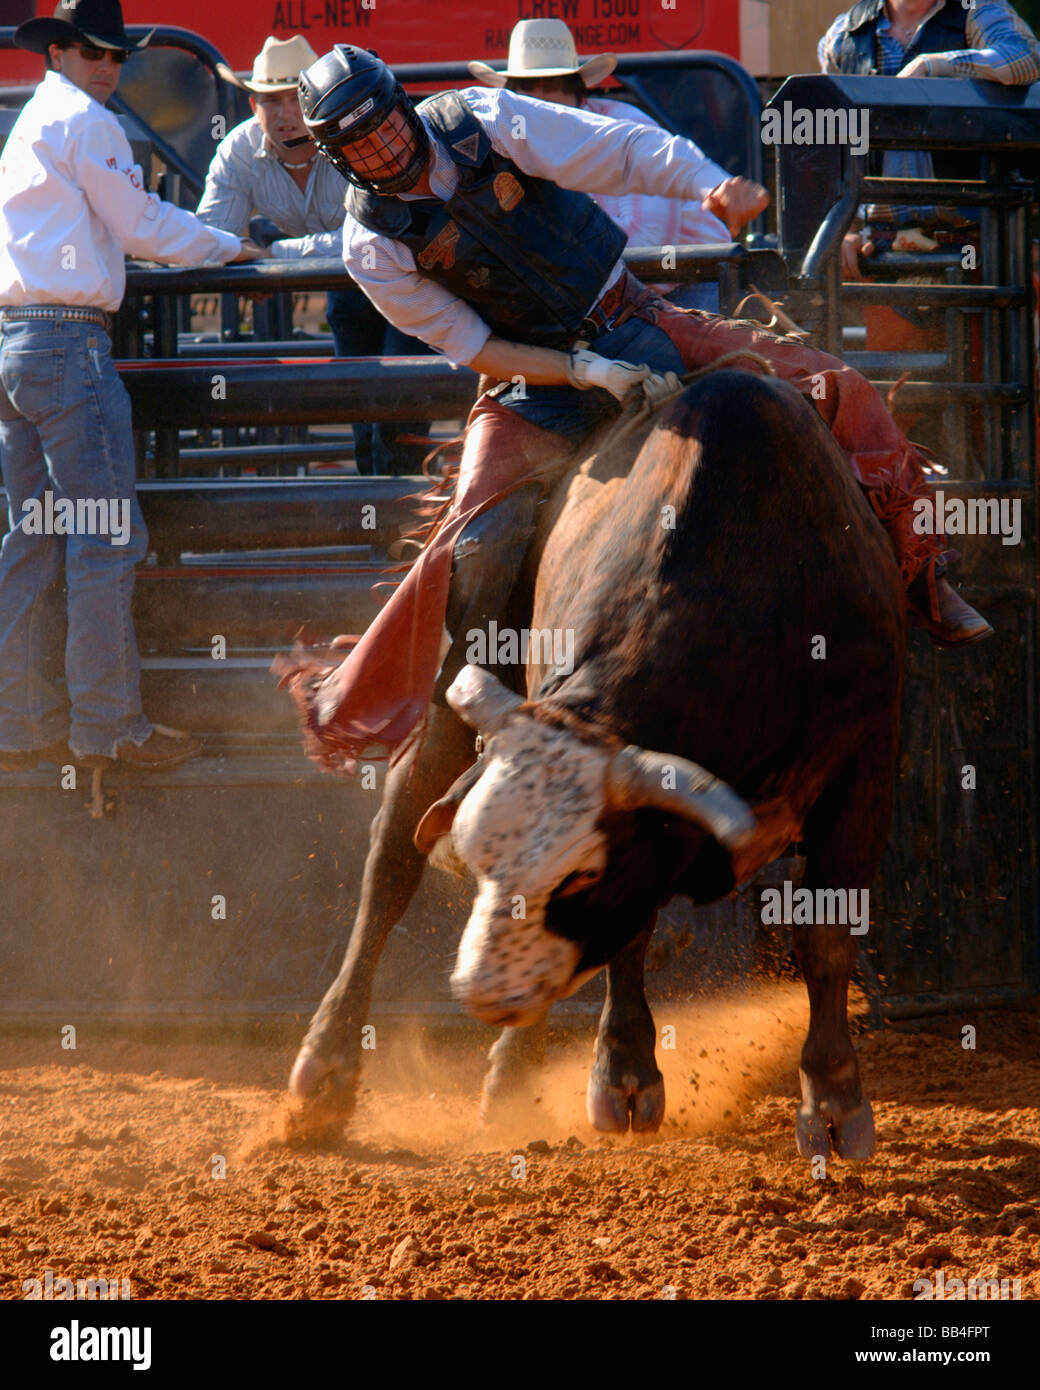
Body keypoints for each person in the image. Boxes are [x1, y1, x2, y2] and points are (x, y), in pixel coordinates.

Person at [278, 43, 991, 773]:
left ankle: (922, 573)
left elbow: (615, 151)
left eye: (388, 126)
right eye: (362, 143)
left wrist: (709, 185)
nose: (386, 146)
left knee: (835, 385)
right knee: (469, 543)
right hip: (530, 378)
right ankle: (436, 714)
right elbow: (478, 348)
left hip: (630, 315)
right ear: (341, 158)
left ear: (402, 106)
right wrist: (580, 370)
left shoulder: (483, 121)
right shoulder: (373, 244)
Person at [0, 0, 260, 774]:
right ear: (61, 52)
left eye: (114, 55)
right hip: (67, 346)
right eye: (92, 53)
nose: (107, 67)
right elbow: (143, 226)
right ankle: (109, 727)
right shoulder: (88, 125)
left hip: (16, 343)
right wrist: (226, 245)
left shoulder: (31, 124)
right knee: (104, 536)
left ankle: (20, 721)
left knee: (29, 539)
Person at [200, 34, 433, 476]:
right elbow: (212, 234)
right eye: (270, 101)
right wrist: (235, 253)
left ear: (316, 99)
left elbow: (369, 235)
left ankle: (397, 529)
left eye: (294, 98)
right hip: (349, 287)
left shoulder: (357, 136)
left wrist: (266, 256)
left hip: (407, 278)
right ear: (254, 108)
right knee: (365, 416)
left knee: (393, 411)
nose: (285, 114)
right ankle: (383, 533)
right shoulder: (239, 151)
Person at [468, 19, 736, 311]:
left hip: (690, 283)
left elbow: (649, 249)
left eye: (551, 87)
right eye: (527, 90)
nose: (539, 107)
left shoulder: (624, 127)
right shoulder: (502, 146)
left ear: (577, 93)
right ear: (511, 102)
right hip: (591, 296)